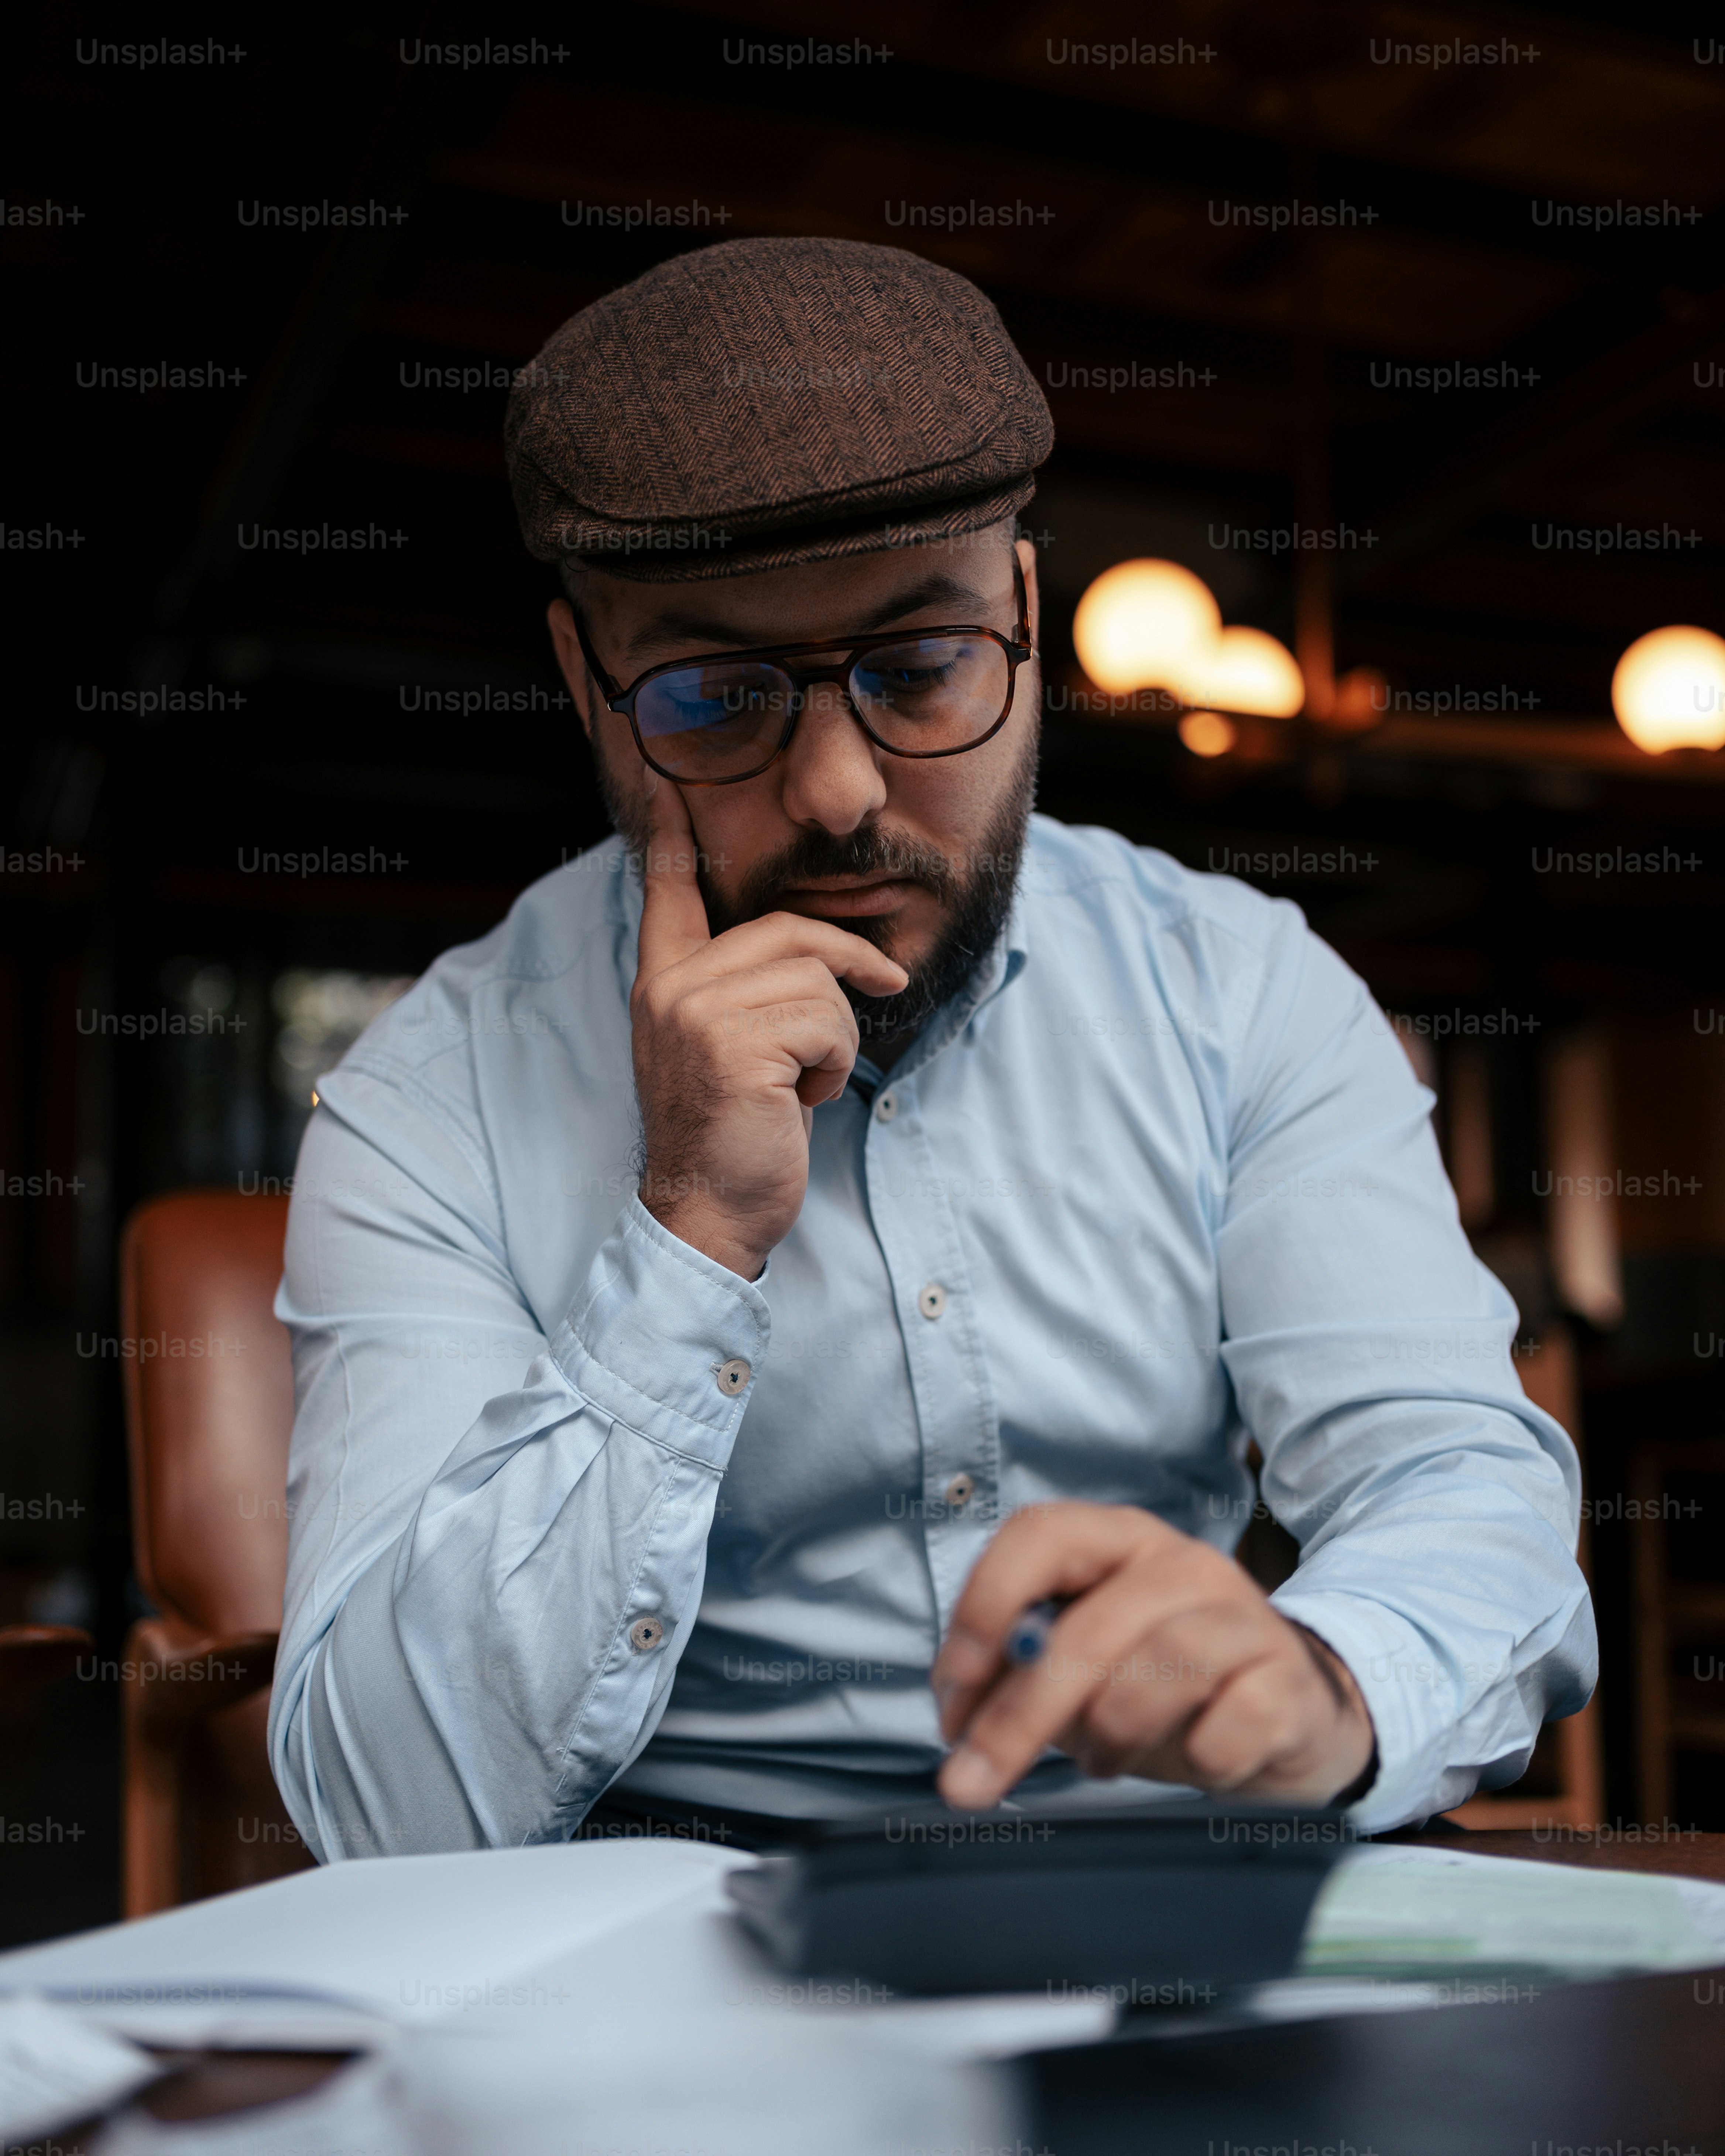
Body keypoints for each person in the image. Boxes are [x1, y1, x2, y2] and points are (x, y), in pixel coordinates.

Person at [268, 236, 1593, 1859]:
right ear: (585, 681)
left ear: (1025, 616)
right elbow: (378, 1809)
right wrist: (684, 1238)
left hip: (1177, 1882)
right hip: (675, 1931)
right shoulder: (427, 1095)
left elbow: (1459, 1486)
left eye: (916, 667)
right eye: (714, 693)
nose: (836, 791)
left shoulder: (1241, 986)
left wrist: (1323, 1683)